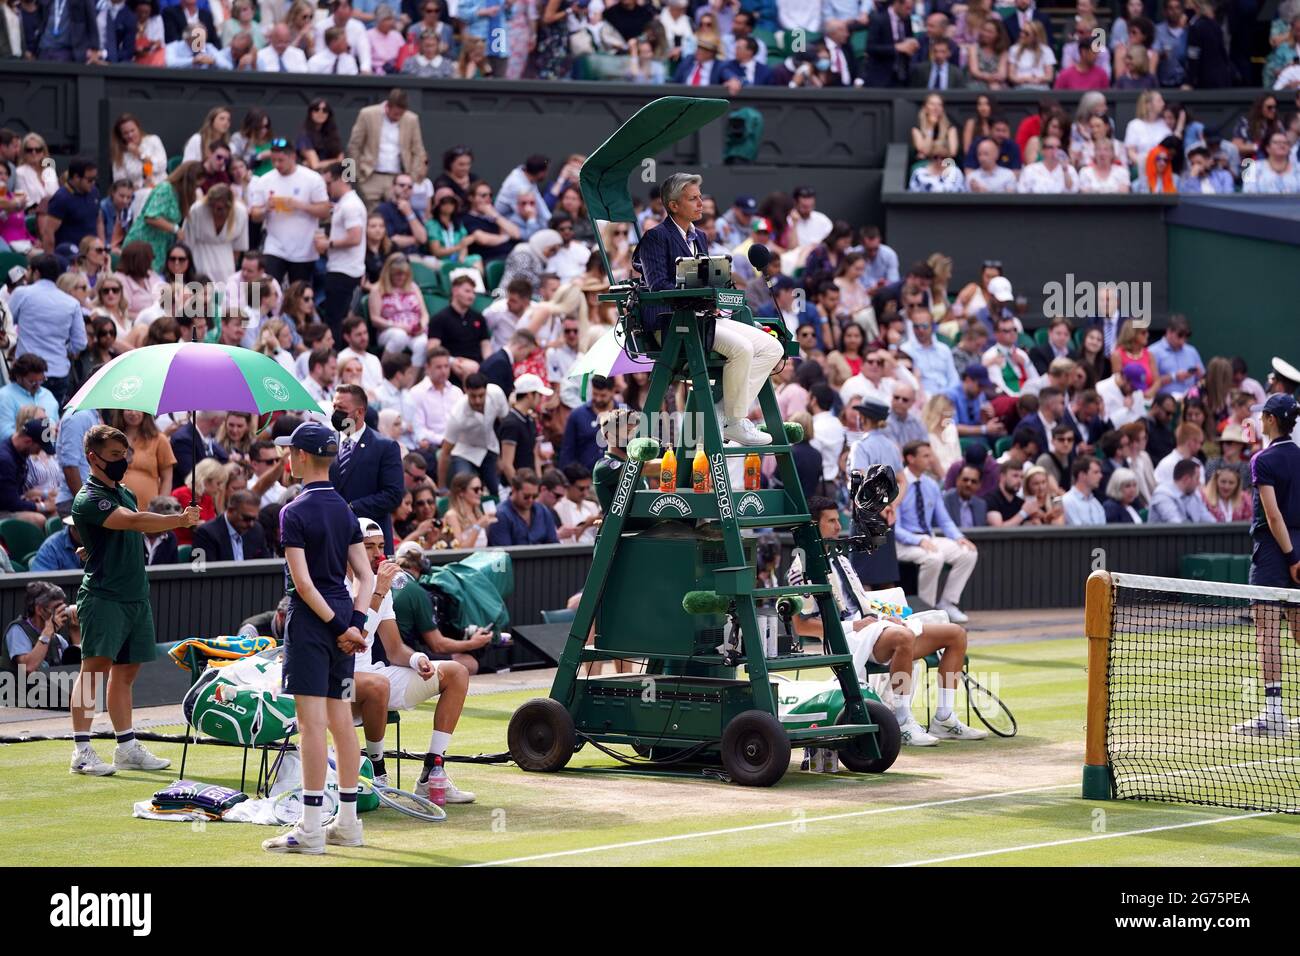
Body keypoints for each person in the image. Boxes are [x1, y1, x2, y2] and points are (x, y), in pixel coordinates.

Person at [790, 496, 986, 746]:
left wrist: (883, 616)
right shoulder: (800, 570)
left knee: (956, 634)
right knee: (903, 637)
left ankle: (944, 719)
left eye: (838, 520)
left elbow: (861, 604)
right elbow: (802, 626)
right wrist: (854, 625)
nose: (839, 527)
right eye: (831, 521)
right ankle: (902, 721)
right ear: (812, 526)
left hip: (872, 630)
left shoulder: (841, 559)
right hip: (846, 638)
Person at [261, 421, 372, 853]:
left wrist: (340, 627)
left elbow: (303, 585)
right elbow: (364, 576)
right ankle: (347, 823)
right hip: (342, 616)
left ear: (302, 457)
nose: (287, 457)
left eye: (291, 452)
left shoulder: (294, 511)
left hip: (313, 624)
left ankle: (309, 830)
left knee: (311, 726)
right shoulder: (345, 509)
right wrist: (355, 625)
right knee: (341, 720)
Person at [68, 424, 201, 777]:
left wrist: (91, 548)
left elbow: (118, 532)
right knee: (93, 671)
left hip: (135, 595)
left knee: (126, 673)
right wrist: (179, 519)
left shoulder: (123, 491)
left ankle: (125, 747)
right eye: (114, 456)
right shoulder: (89, 497)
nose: (122, 462)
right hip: (104, 597)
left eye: (124, 455)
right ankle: (81, 750)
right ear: (93, 458)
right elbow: (135, 521)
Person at [633, 172, 781, 446]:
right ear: (674, 205)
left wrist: (714, 293)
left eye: (700, 197)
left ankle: (722, 415)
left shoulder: (699, 235)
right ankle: (735, 422)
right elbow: (657, 287)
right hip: (672, 324)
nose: (701, 203)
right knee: (743, 349)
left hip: (704, 319)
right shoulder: (655, 237)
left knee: (773, 348)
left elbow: (703, 278)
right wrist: (699, 295)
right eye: (693, 198)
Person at [346, 519, 477, 802]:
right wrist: (378, 591)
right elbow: (355, 637)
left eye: (380, 546)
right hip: (339, 680)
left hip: (372, 675)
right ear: (351, 549)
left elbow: (394, 649)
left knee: (456, 672)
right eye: (368, 547)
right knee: (378, 684)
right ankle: (377, 772)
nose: (376, 554)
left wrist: (417, 658)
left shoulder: (384, 587)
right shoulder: (337, 586)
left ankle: (433, 771)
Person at [1234, 394, 1300, 736]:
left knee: (1267, 632)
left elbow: (1273, 517)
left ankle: (1274, 714)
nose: (1259, 421)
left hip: (1275, 554)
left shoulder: (1262, 460)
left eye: (1263, 416)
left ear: (1272, 419)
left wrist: (1290, 558)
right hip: (1298, 549)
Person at [893, 440, 979, 622]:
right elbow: (894, 527)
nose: (931, 459)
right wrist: (918, 541)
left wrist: (959, 537)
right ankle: (926, 611)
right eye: (925, 455)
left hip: (928, 538)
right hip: (902, 542)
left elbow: (944, 519)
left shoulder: (931, 485)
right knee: (934, 557)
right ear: (910, 458)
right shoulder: (898, 484)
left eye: (930, 455)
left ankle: (947, 603)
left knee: (968, 552)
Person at [330, 385, 404, 555]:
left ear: (359, 411)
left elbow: (393, 495)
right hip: (334, 539)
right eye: (334, 407)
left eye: (341, 409)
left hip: (370, 542)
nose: (336, 414)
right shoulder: (327, 442)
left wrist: (351, 508)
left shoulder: (384, 446)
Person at [246, 138, 330, 285]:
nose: (277, 164)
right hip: (274, 247)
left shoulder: (312, 179)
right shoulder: (264, 180)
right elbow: (254, 216)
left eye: (281, 160)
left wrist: (300, 205)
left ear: (293, 157)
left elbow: (324, 211)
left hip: (304, 250)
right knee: (268, 287)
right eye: (273, 160)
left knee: (297, 295)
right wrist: (266, 208)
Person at [1, 581, 81, 676]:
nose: (62, 612)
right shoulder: (17, 631)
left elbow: (77, 671)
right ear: (39, 609)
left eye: (63, 607)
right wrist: (49, 630)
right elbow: (28, 667)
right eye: (57, 607)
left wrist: (75, 632)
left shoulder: (58, 640)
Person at [189, 489, 269, 561]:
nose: (251, 524)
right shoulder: (206, 533)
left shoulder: (257, 530)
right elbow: (200, 572)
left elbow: (265, 566)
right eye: (246, 518)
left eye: (254, 519)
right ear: (231, 511)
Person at [1148, 458, 1215, 524]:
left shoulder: (1194, 494)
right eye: (1197, 478)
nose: (1199, 483)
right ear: (1186, 479)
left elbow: (1207, 519)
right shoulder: (1162, 495)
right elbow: (1176, 526)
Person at [1062, 457, 1105, 525]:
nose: (1100, 476)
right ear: (1082, 475)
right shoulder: (1067, 501)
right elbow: (1078, 532)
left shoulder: (1097, 504)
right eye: (1096, 472)